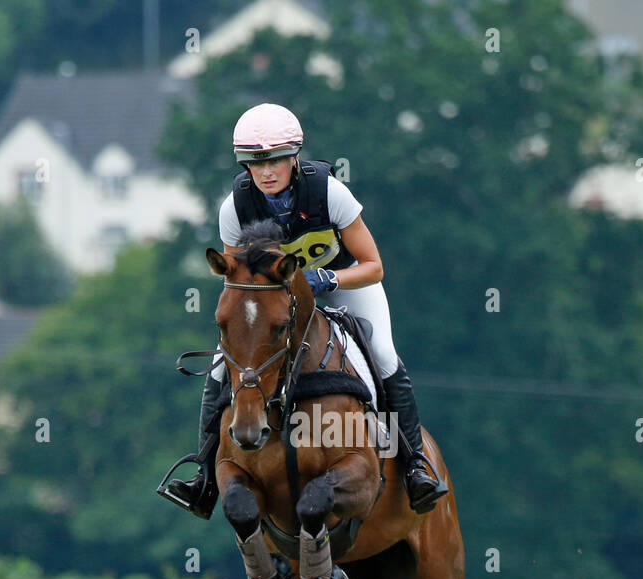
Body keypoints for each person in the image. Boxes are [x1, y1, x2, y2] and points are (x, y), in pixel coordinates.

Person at [159, 102, 448, 519]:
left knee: (384, 354)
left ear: (293, 157)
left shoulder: (329, 193)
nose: (265, 172)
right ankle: (203, 475)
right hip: (275, 299)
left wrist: (328, 279)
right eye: (255, 164)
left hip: (343, 282)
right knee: (223, 367)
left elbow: (374, 266)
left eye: (274, 160)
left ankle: (414, 465)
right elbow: (236, 282)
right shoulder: (234, 208)